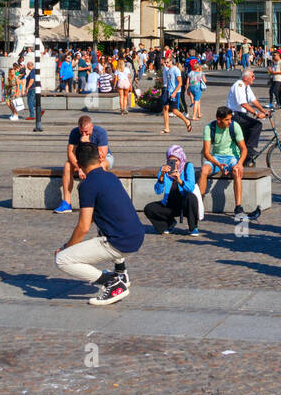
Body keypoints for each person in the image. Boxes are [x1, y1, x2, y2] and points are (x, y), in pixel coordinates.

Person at [54, 142, 143, 306]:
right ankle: (121, 271)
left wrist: (67, 247)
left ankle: (112, 282)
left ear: (78, 165)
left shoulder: (87, 185)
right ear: (100, 157)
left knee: (62, 260)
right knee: (104, 222)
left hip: (119, 242)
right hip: (136, 235)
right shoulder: (111, 176)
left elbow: (83, 226)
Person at [200, 106, 249, 217]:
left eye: (230, 119)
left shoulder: (234, 126)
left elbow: (244, 149)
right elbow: (207, 153)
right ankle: (199, 205)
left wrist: (240, 163)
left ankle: (238, 207)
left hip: (232, 157)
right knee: (204, 170)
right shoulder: (209, 128)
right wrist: (219, 165)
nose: (229, 122)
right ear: (219, 119)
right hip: (216, 158)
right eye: (227, 120)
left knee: (237, 170)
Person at [56, 115, 111, 214]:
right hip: (81, 160)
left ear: (92, 127)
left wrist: (88, 143)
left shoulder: (100, 132)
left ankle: (100, 203)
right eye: (81, 131)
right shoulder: (74, 132)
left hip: (100, 159)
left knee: (101, 166)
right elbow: (70, 153)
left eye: (86, 131)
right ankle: (66, 203)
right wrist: (80, 168)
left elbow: (102, 156)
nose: (84, 134)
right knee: (67, 165)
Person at [143, 144, 201, 236]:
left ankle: (193, 227)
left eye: (176, 160)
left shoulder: (188, 166)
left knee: (192, 198)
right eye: (170, 160)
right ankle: (168, 224)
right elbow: (158, 191)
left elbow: (190, 188)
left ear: (181, 159)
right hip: (169, 203)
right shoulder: (164, 169)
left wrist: (179, 180)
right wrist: (161, 176)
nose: (174, 163)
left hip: (184, 202)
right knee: (149, 208)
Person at [228, 69, 268, 165]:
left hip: (242, 114)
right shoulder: (239, 85)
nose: (254, 78)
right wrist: (256, 114)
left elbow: (253, 100)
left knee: (246, 135)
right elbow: (243, 104)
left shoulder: (246, 86)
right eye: (252, 76)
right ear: (246, 78)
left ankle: (245, 159)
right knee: (257, 125)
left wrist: (264, 111)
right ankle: (249, 150)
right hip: (234, 115)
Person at [160, 54, 192, 135]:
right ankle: (167, 128)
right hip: (168, 91)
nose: (166, 64)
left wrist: (174, 92)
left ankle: (187, 121)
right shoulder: (168, 70)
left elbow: (180, 83)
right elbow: (168, 81)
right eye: (165, 62)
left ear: (171, 61)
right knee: (165, 108)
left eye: (167, 62)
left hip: (175, 92)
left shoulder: (176, 70)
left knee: (174, 110)